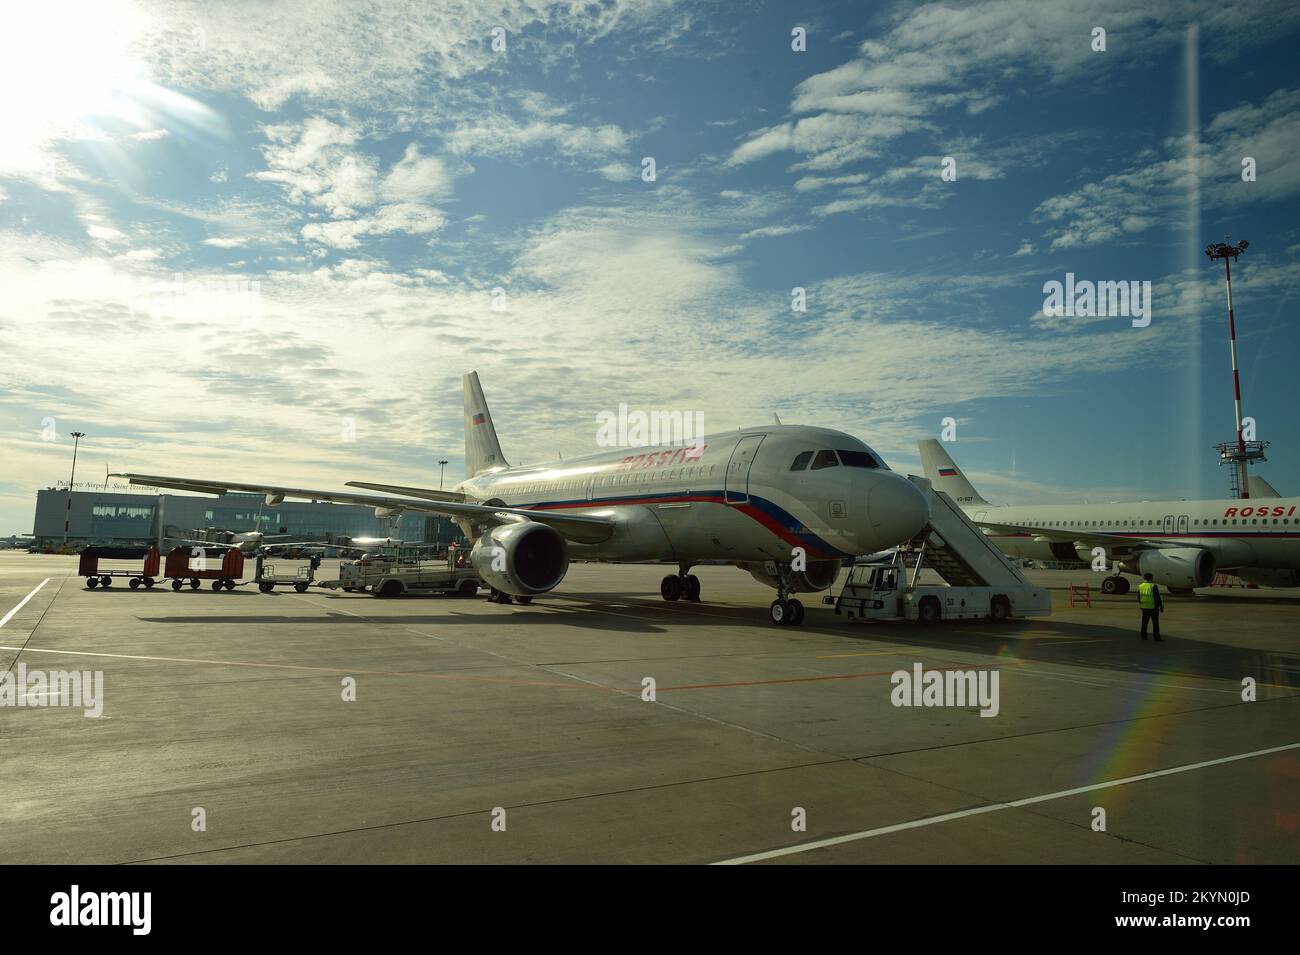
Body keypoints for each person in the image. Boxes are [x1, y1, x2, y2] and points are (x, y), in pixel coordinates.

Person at [1137, 572, 1164, 641]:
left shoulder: (1140, 586)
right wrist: (1160, 606)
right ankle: (1157, 637)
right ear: (1150, 578)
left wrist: (1141, 604)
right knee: (1155, 623)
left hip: (1144, 607)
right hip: (1153, 607)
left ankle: (1143, 636)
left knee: (1144, 623)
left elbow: (1139, 597)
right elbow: (1157, 597)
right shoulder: (1153, 586)